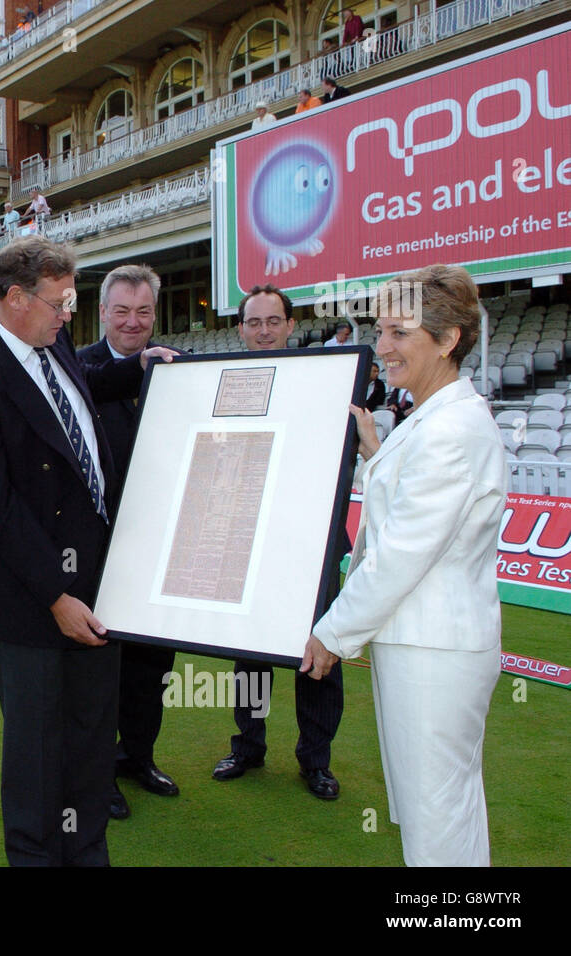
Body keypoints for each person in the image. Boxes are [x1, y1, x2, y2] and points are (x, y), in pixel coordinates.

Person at [0, 236, 174, 866]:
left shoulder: (54, 341)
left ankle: (88, 853)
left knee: (91, 742)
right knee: (38, 756)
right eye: (59, 302)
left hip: (97, 586)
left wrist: (143, 366)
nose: (70, 313)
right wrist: (56, 596)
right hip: (31, 602)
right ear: (16, 299)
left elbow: (89, 385)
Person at [303, 264, 505, 866]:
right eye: (382, 331)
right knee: (439, 806)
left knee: (436, 813)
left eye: (398, 333)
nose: (381, 348)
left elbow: (402, 554)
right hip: (423, 644)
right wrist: (377, 453)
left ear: (447, 341)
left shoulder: (452, 429)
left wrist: (331, 631)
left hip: (435, 649)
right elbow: (408, 516)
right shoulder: (435, 419)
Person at [211, 284, 345, 800]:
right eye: (253, 322)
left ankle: (316, 761)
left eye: (273, 321)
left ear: (291, 325)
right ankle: (248, 747)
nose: (264, 331)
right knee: (250, 651)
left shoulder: (326, 382)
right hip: (247, 535)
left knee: (319, 652)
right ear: (240, 329)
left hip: (312, 540)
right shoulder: (225, 385)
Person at [77, 264, 181, 810]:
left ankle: (138, 757)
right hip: (97, 554)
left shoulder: (177, 369)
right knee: (101, 671)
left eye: (143, 311)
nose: (133, 321)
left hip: (159, 548)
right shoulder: (74, 368)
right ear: (102, 313)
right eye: (122, 310)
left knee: (152, 668)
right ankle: (99, 777)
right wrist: (139, 369)